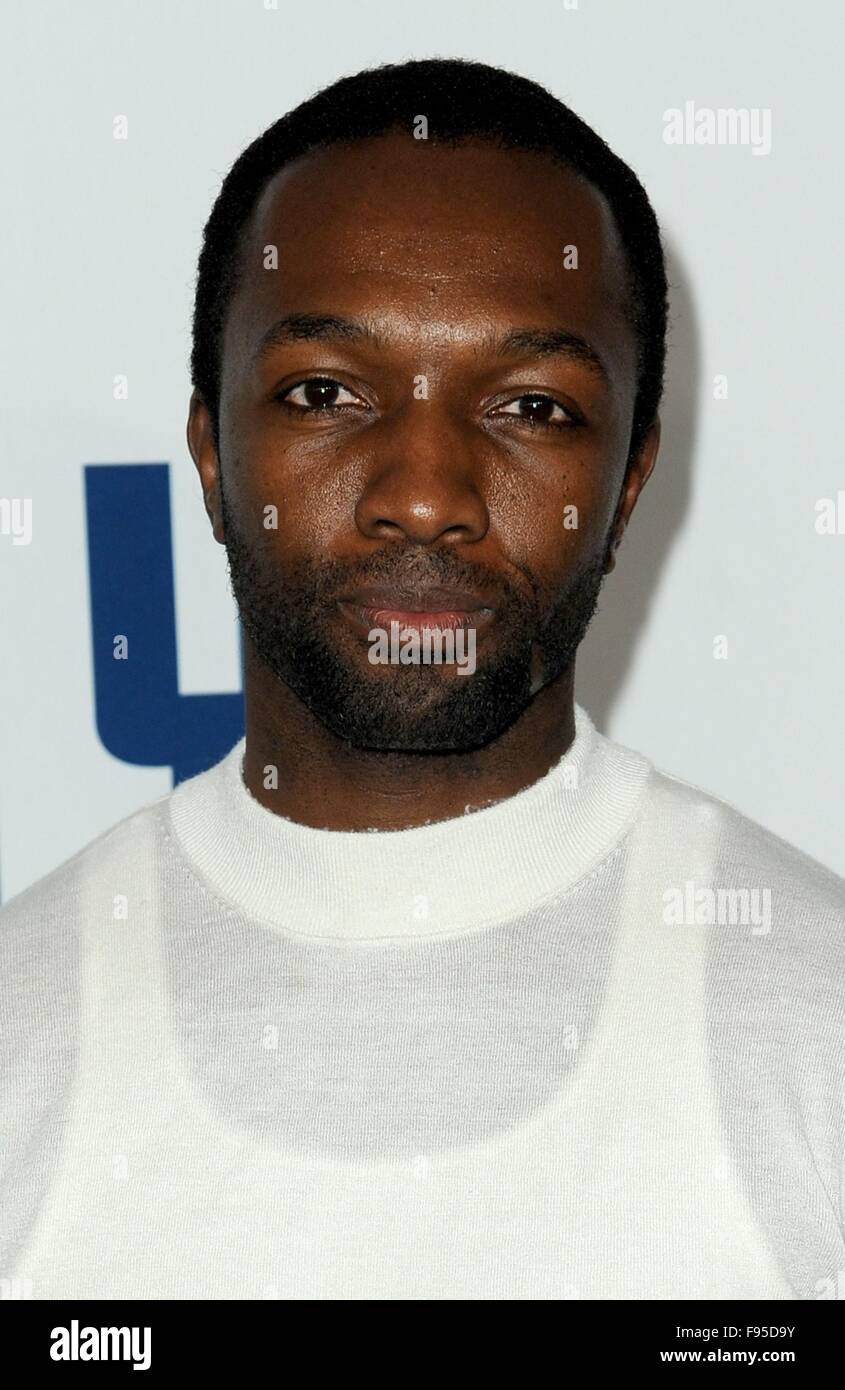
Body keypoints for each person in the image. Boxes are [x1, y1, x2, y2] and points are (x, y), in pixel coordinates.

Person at [1, 58, 842, 1302]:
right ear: (211, 455)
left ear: (627, 482)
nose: (424, 496)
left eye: (529, 406)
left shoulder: (817, 1026)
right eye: (325, 393)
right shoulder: (22, 1036)